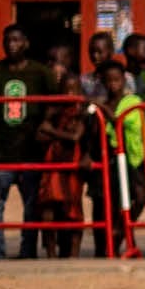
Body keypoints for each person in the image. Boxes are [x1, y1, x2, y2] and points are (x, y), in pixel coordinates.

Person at [0, 25, 57, 259]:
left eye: (17, 40)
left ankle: (27, 253)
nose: (11, 45)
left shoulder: (40, 72)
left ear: (26, 43)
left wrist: (45, 125)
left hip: (31, 151)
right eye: (7, 40)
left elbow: (57, 101)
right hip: (0, 152)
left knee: (31, 207)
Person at [95, 59, 145, 258]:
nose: (113, 84)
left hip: (133, 159)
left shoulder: (132, 101)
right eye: (109, 80)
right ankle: (113, 247)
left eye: (117, 80)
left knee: (140, 197)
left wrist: (104, 111)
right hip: (113, 161)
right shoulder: (102, 104)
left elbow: (121, 121)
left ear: (124, 80)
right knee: (115, 203)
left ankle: (121, 230)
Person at [34, 95, 89, 258]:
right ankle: (51, 253)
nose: (70, 94)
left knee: (73, 212)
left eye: (74, 89)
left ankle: (74, 254)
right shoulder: (53, 112)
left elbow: (75, 137)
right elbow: (39, 135)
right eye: (67, 89)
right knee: (47, 211)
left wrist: (52, 132)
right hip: (52, 168)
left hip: (72, 167)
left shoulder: (82, 114)